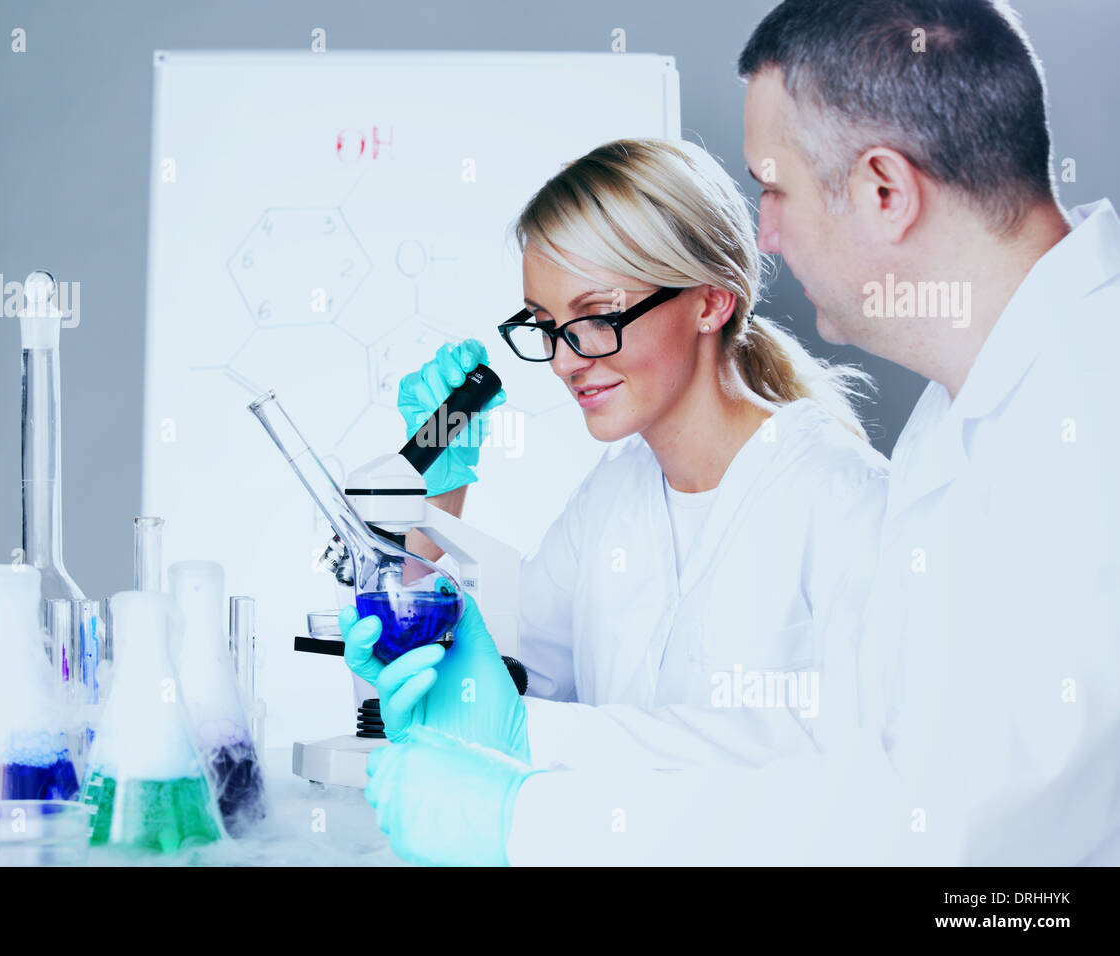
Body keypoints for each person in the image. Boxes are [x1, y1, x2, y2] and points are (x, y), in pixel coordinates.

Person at [361, 0, 1120, 866]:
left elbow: (966, 840)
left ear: (884, 190)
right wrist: (528, 733)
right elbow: (855, 760)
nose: (761, 235)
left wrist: (533, 817)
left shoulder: (1084, 419)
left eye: (773, 188)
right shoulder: (962, 422)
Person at [343, 136, 889, 821]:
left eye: (597, 316)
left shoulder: (846, 500)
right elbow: (500, 683)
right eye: (546, 324)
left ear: (711, 302)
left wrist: (529, 733)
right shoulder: (615, 496)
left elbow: (849, 765)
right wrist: (435, 503)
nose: (566, 362)